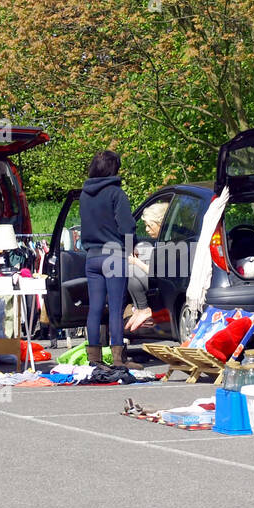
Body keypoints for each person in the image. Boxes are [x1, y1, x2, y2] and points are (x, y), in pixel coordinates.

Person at [79, 150, 136, 367]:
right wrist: (130, 249)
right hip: (114, 256)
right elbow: (127, 226)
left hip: (92, 257)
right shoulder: (116, 193)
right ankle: (119, 360)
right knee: (115, 308)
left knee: (94, 308)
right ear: (114, 169)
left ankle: (94, 359)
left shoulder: (84, 195)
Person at [125, 199, 169, 332]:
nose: (146, 229)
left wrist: (136, 262)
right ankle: (139, 310)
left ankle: (143, 310)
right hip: (164, 279)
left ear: (160, 224)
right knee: (129, 270)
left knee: (131, 270)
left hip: (166, 283)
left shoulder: (168, 242)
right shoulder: (161, 240)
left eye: (149, 225)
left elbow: (156, 272)